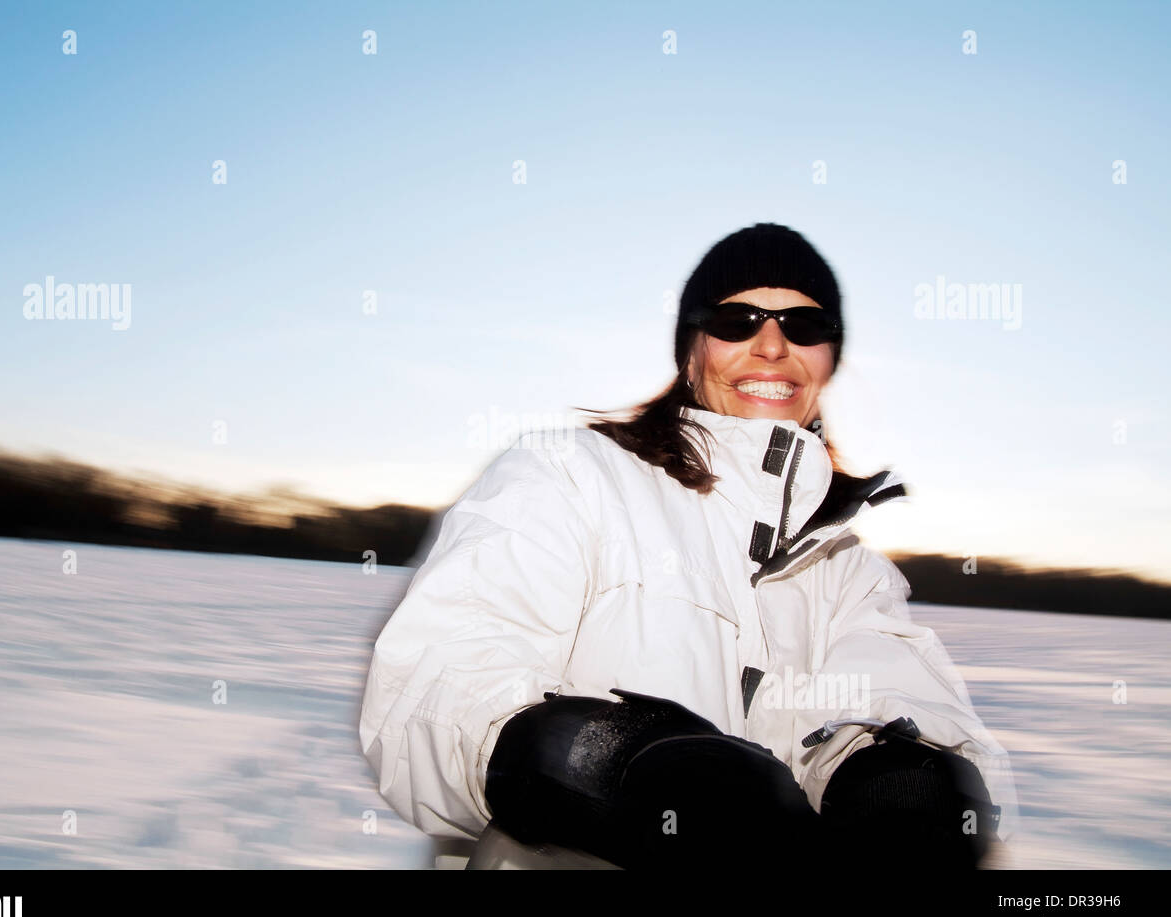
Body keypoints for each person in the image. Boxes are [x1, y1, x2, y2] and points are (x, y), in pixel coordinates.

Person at [358, 223, 1018, 870]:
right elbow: (431, 691)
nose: (771, 344)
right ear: (690, 351)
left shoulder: (849, 571)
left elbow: (893, 707)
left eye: (805, 325)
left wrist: (903, 782)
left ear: (827, 361)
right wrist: (608, 764)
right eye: (737, 320)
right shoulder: (570, 476)